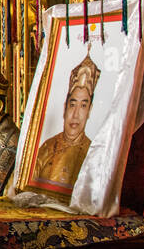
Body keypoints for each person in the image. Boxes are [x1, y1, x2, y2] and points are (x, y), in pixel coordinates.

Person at [31, 53, 100, 201]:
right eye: (72, 104)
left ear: (90, 110)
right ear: (65, 107)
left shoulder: (93, 153)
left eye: (83, 106)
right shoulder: (47, 147)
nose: (75, 115)